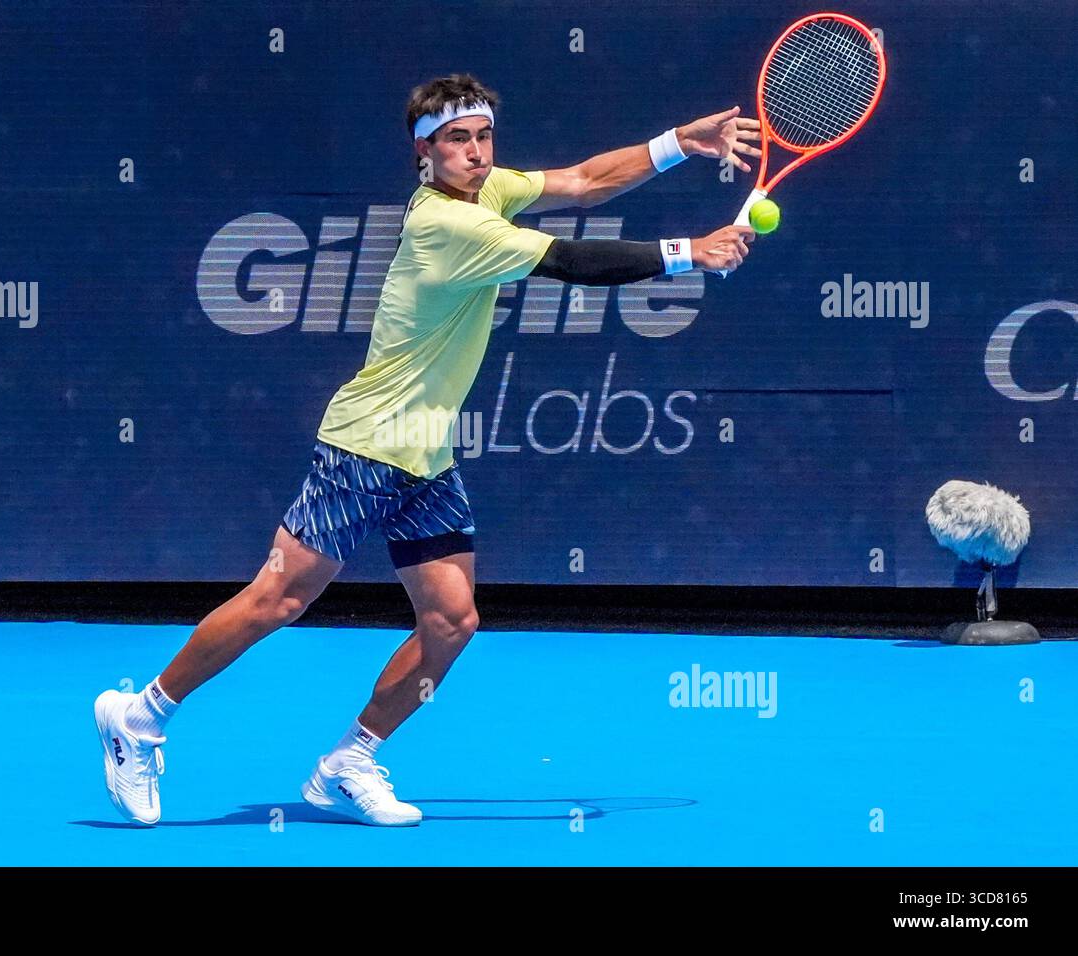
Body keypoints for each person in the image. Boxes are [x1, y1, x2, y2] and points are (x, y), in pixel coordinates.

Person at [94, 73, 758, 827]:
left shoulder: (489, 191)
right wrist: (689, 252)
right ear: (424, 152)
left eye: (482, 137)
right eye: (456, 141)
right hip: (367, 445)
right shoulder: (447, 226)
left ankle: (349, 759)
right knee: (278, 598)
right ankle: (139, 716)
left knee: (451, 619)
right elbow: (570, 263)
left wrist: (679, 143)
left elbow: (579, 181)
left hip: (426, 455)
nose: (475, 153)